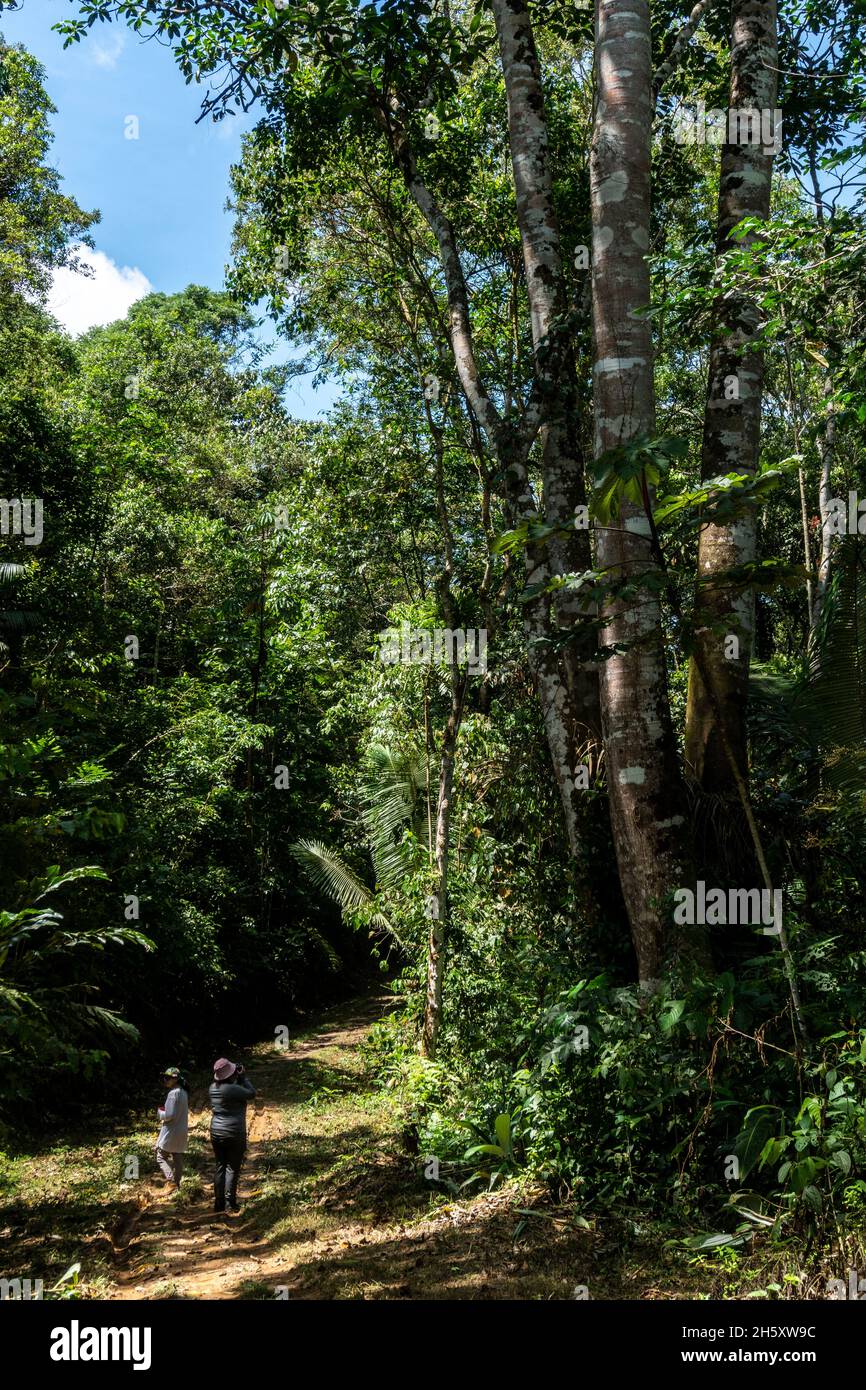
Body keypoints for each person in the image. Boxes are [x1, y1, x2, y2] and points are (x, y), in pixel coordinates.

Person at [208, 1057, 256, 1214]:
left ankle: (218, 1203)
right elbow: (251, 1093)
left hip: (216, 1132)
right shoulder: (232, 1089)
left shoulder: (212, 1088)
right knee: (232, 1168)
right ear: (230, 1074)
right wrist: (243, 1077)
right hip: (234, 1133)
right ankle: (230, 1203)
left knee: (220, 1165)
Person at [156, 1067, 189, 1193]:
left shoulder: (172, 1094)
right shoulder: (184, 1092)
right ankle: (177, 1184)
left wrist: (159, 1113)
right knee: (177, 1157)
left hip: (172, 1130)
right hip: (182, 1130)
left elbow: (169, 1115)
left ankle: (171, 1181)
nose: (165, 1080)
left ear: (175, 1079)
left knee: (160, 1157)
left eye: (167, 1078)